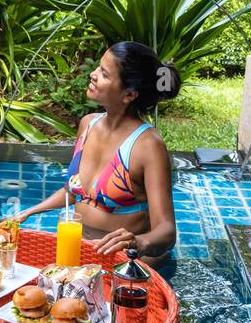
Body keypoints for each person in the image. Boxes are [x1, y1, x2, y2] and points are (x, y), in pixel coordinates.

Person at [15, 41, 179, 265]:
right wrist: (28, 212)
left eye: (104, 73)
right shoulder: (88, 124)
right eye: (98, 68)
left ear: (129, 95)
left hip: (127, 261)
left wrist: (139, 244)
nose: (92, 75)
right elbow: (73, 192)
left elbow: (166, 231)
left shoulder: (147, 145)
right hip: (81, 249)